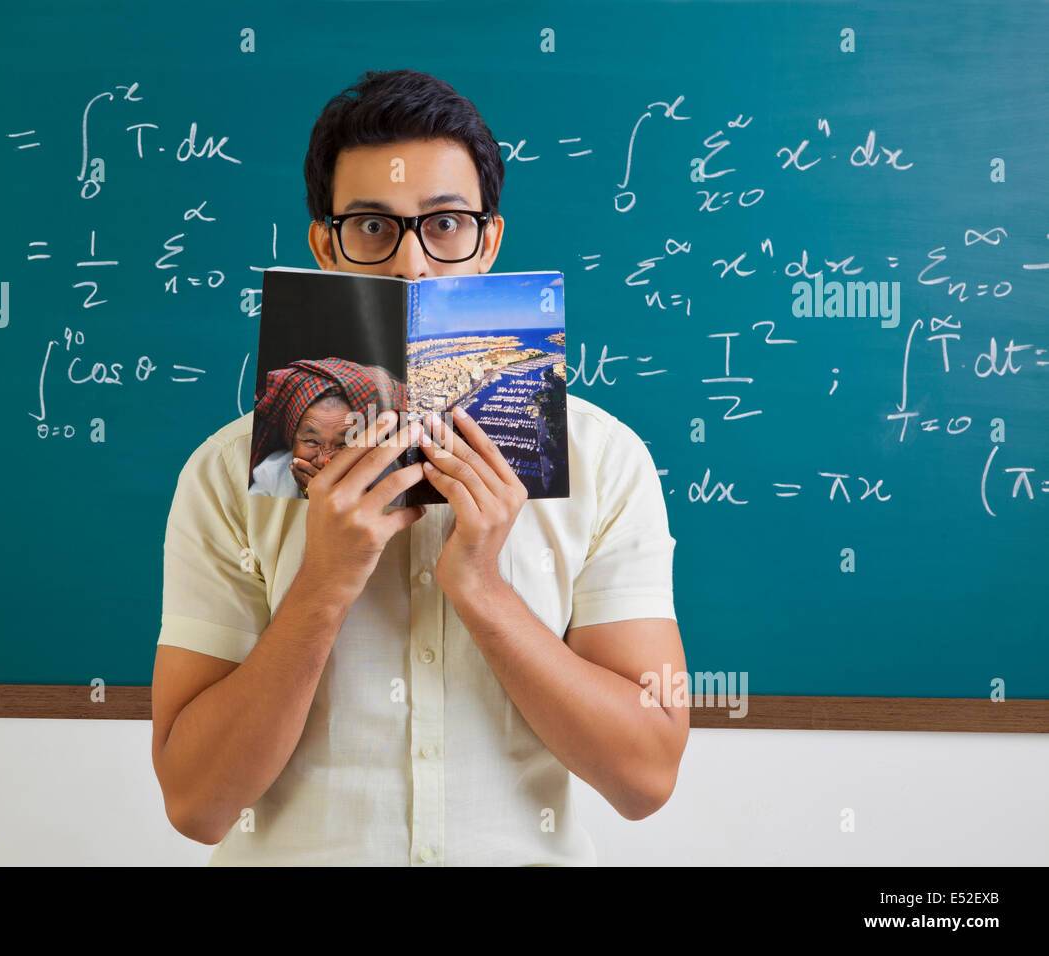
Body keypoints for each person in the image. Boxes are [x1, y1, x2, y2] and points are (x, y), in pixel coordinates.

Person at [151, 69, 688, 865]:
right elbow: (197, 805)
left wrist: (481, 587)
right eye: (372, 227)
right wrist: (324, 584)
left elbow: (645, 776)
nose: (410, 266)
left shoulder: (603, 458)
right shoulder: (232, 472)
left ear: (488, 242)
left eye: (444, 225)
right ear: (325, 244)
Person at [248, 358, 407, 499]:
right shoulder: (272, 475)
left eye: (344, 444)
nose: (323, 460)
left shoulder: (388, 480)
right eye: (311, 441)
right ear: (292, 440)